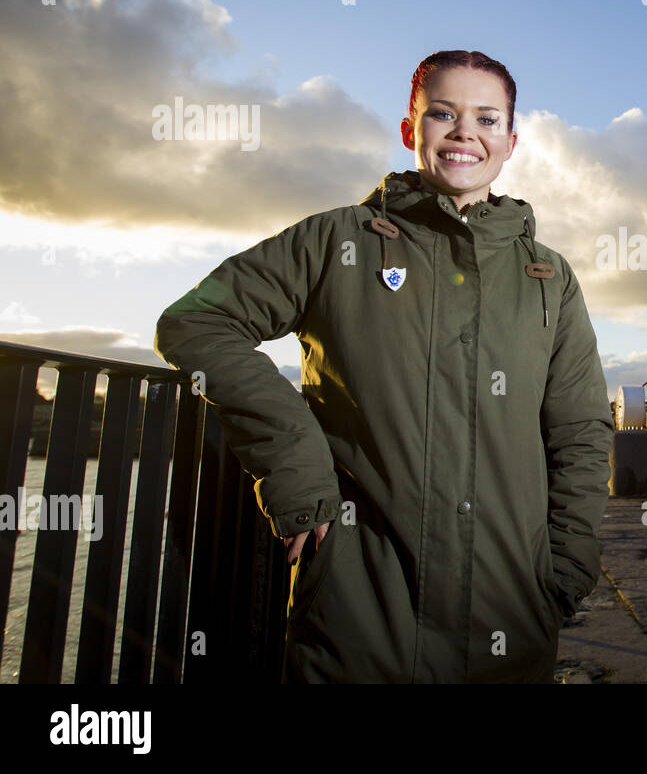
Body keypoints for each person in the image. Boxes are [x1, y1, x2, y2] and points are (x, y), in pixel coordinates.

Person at [154, 50, 613, 683]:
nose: (464, 133)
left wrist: (568, 568)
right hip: (359, 609)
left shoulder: (549, 277)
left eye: (486, 118)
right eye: (442, 114)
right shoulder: (336, 241)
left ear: (510, 140)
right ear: (410, 129)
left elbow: (581, 429)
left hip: (513, 611)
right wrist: (296, 466)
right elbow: (195, 322)